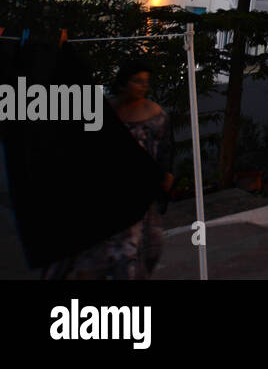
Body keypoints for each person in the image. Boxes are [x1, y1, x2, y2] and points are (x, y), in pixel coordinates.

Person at [43, 58, 175, 279]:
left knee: (144, 250)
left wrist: (164, 178)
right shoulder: (103, 112)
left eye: (146, 82)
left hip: (138, 197)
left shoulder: (156, 116)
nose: (143, 86)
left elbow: (165, 152)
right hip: (101, 195)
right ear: (123, 83)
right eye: (137, 81)